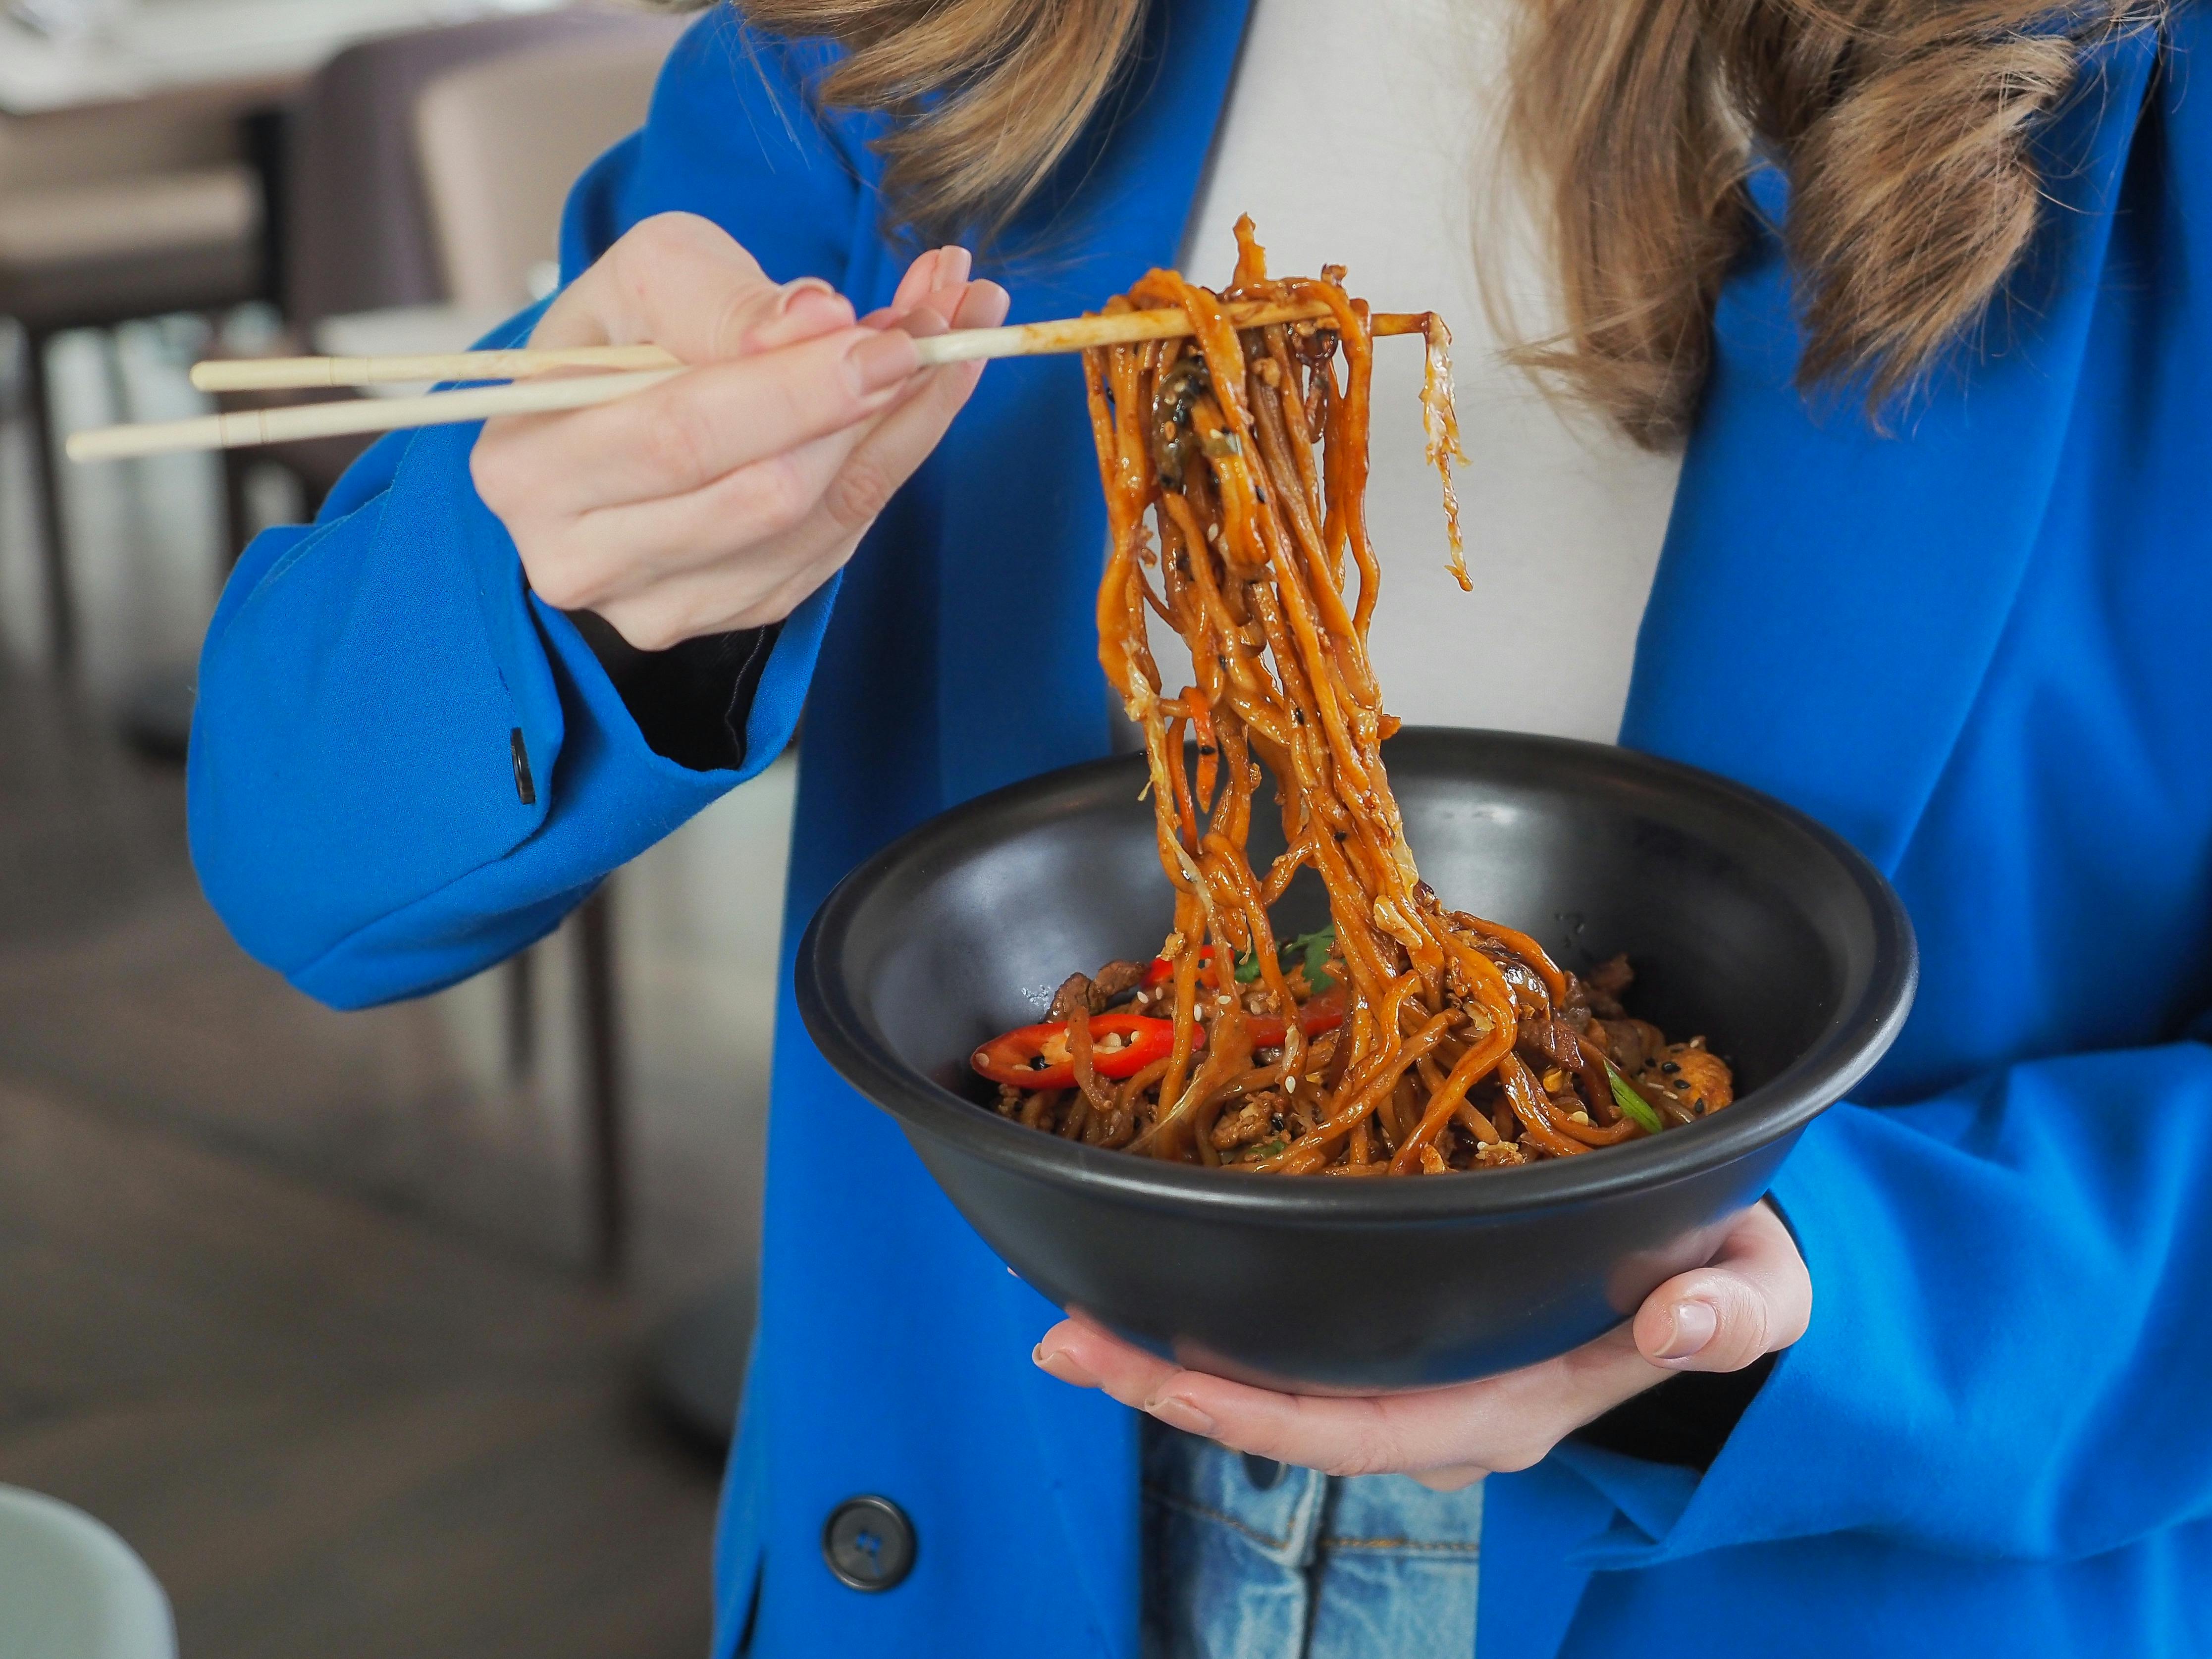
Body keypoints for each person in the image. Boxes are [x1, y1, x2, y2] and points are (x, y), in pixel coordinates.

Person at [186, 0, 2212, 1654]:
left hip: (1815, 1563)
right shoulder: (891, 61)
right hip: (1012, 1518)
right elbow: (305, 848)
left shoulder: (2145, 96)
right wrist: (572, 575)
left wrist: (1835, 1304)